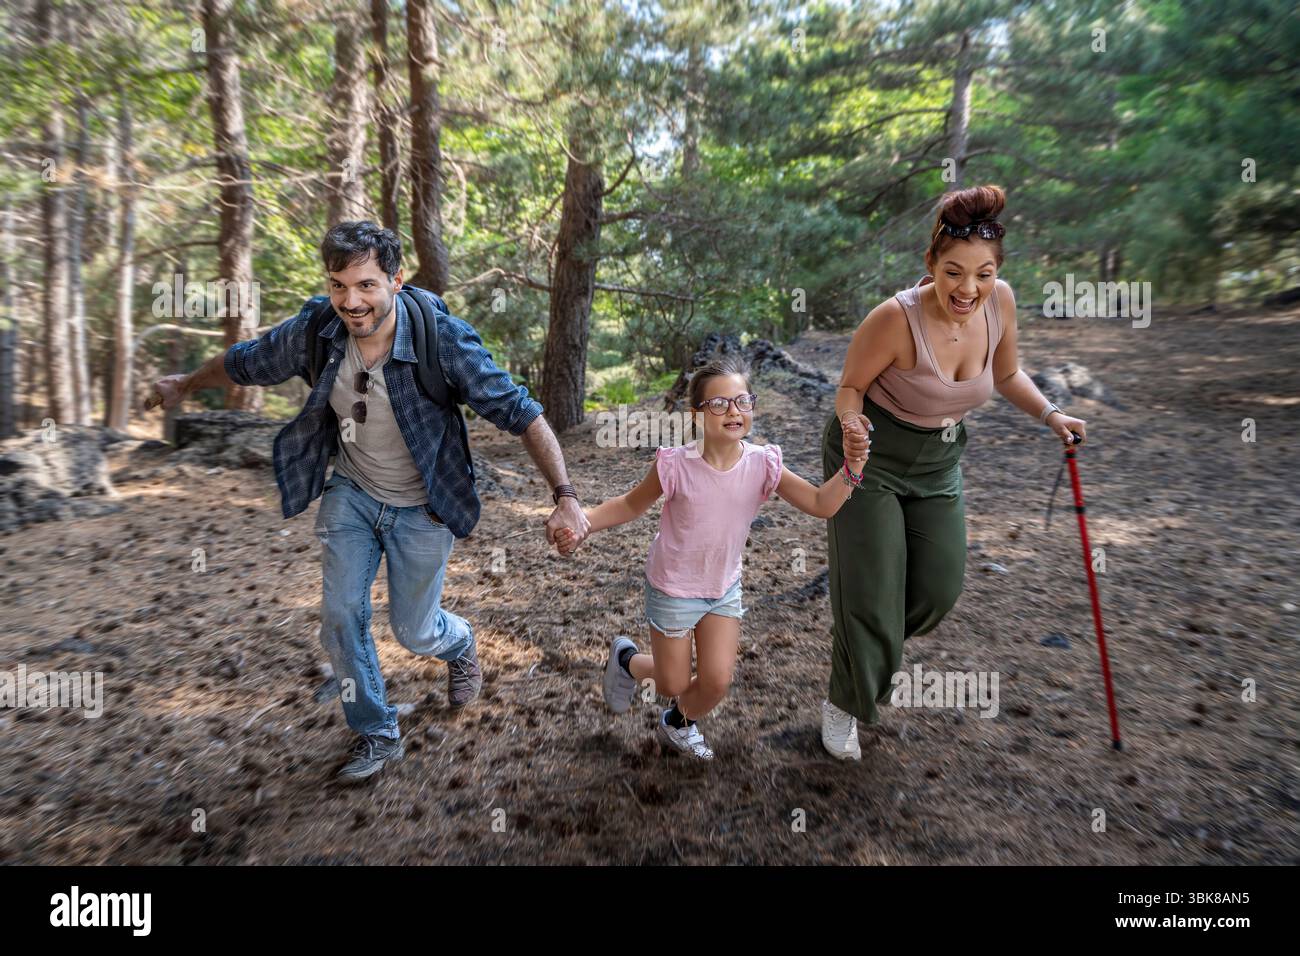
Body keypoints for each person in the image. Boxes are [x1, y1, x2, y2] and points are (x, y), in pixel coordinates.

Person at [148, 221, 590, 782]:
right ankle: (377, 732)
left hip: (423, 508)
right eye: (338, 285)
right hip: (352, 494)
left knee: (415, 631)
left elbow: (521, 412)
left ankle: (459, 645)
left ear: (395, 281)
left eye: (365, 286)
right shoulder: (319, 327)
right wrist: (185, 383)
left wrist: (566, 497)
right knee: (340, 617)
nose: (350, 302)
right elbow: (247, 360)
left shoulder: (441, 339)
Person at [820, 184, 1088, 760]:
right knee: (871, 592)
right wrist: (851, 427)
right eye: (954, 272)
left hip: (939, 460)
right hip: (869, 454)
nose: (969, 289)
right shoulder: (894, 319)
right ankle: (846, 698)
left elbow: (1008, 373)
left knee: (938, 590)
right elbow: (849, 390)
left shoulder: (1001, 303)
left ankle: (867, 648)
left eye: (984, 274)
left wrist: (1051, 415)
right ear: (931, 266)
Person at [556, 355, 868, 760]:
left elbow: (820, 503)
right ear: (697, 415)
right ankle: (627, 660)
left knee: (716, 681)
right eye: (718, 404)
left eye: (742, 401)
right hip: (672, 587)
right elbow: (630, 505)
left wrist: (853, 467)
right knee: (672, 681)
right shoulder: (675, 465)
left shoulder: (764, 464)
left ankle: (679, 722)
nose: (733, 412)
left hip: (722, 587)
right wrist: (583, 523)